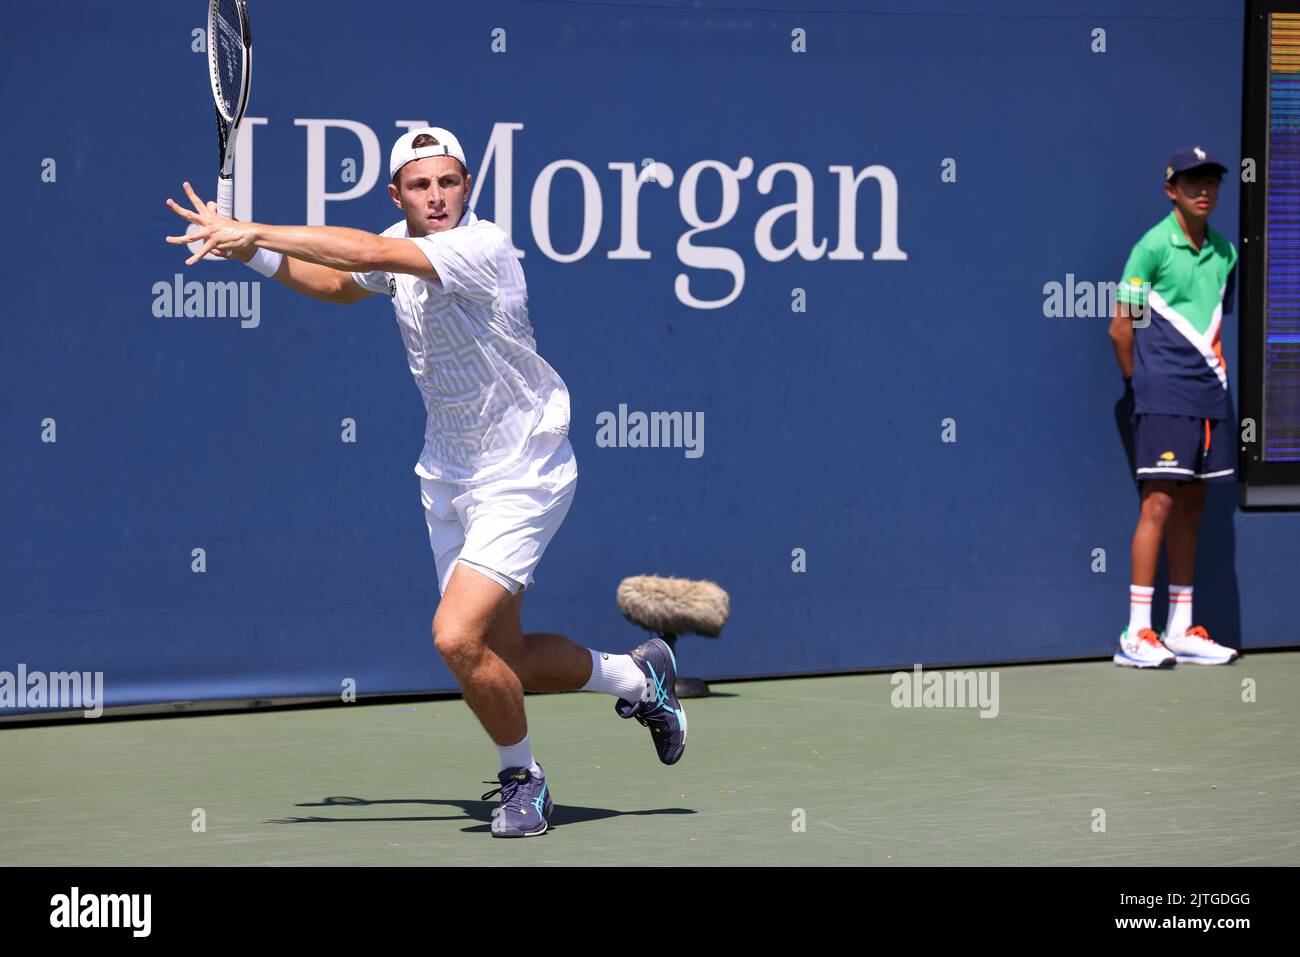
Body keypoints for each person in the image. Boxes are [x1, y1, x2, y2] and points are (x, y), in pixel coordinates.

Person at [165, 127, 687, 836]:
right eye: (420, 185)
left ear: (467, 186)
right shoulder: (399, 243)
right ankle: (638, 675)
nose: (437, 196)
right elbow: (342, 282)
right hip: (448, 475)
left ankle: (522, 780)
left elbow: (371, 253)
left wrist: (251, 224)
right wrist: (253, 253)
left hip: (524, 470)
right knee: (502, 658)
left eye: (449, 182)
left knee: (454, 636)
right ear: (397, 192)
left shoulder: (482, 247)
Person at [1107, 146, 1242, 669]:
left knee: (1193, 507)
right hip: (1163, 398)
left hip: (1211, 395)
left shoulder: (1226, 254)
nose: (1203, 190)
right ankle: (1137, 632)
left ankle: (1180, 628)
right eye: (1191, 182)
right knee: (1159, 503)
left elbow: (1211, 325)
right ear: (1171, 191)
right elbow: (1122, 327)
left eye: (1210, 181)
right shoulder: (1151, 249)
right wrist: (1143, 383)